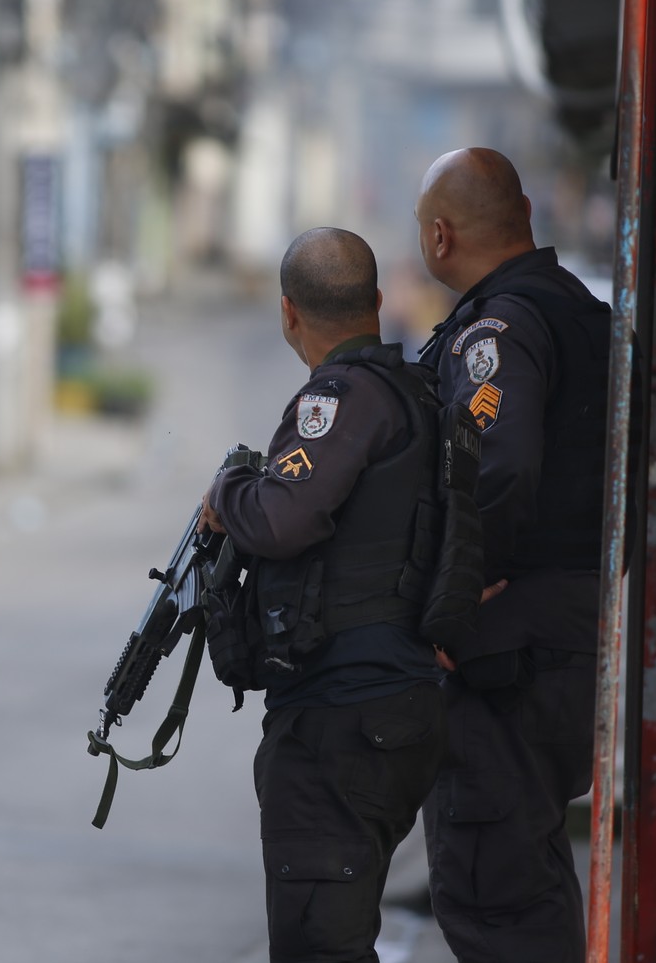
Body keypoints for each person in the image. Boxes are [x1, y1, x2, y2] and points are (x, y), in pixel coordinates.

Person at [200, 227, 474, 963]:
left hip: (344, 716)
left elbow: (283, 516)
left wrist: (228, 489)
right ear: (377, 302)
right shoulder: (416, 393)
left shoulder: (339, 397)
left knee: (320, 946)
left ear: (289, 314)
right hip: (393, 704)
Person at [413, 147, 613, 962]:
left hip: (509, 643)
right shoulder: (580, 312)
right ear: (526, 216)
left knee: (494, 889)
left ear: (439, 236)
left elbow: (496, 465)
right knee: (528, 876)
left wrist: (449, 605)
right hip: (565, 629)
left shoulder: (500, 326)